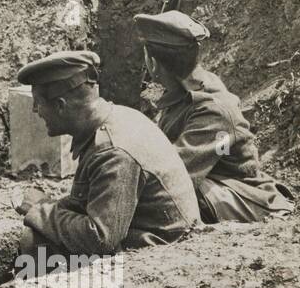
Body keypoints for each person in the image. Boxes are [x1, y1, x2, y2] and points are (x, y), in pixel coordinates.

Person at [15, 50, 200, 260]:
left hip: (164, 255)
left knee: (36, 245)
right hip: (154, 237)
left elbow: (100, 238)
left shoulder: (113, 151)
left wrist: (41, 211)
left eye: (38, 102)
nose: (35, 111)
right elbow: (92, 201)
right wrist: (54, 206)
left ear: (60, 106)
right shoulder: (116, 119)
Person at [134, 10, 294, 223]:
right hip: (214, 181)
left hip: (244, 199)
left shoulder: (213, 110)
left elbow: (174, 173)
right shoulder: (186, 92)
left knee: (163, 196)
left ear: (153, 63)